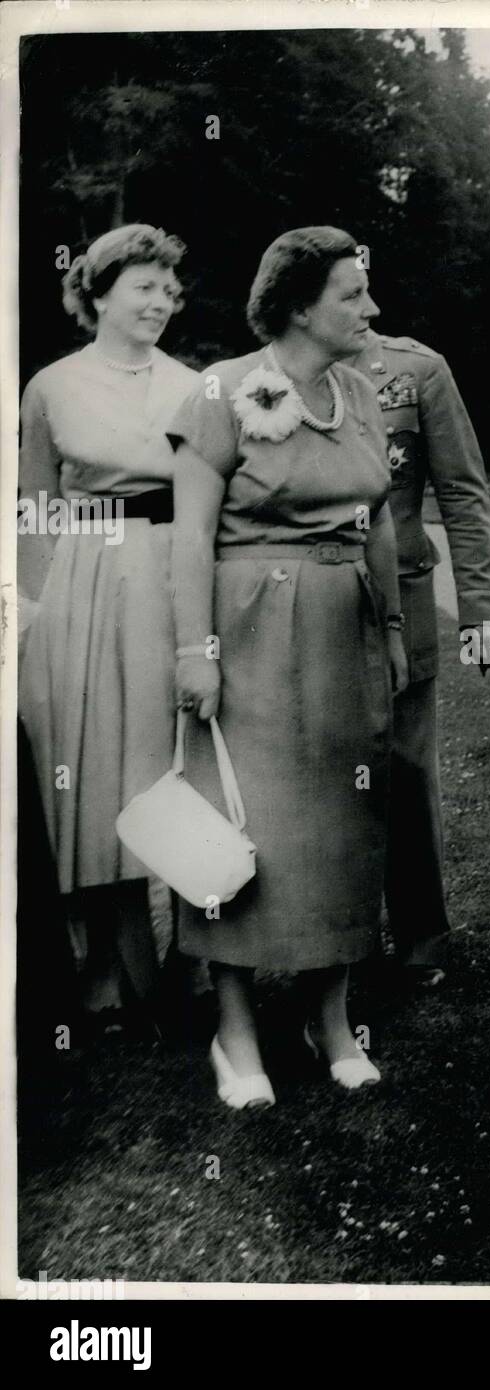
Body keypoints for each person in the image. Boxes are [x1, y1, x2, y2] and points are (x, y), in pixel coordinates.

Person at [170, 226, 408, 1110]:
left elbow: (376, 518)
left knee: (343, 824)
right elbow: (191, 533)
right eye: (353, 294)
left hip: (342, 627)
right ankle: (234, 1036)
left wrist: (388, 623)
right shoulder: (222, 390)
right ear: (301, 304)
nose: (371, 309)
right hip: (249, 629)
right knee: (243, 827)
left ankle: (331, 1019)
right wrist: (194, 651)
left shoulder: (360, 393)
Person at [18, 224, 197, 1034]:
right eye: (144, 287)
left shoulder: (198, 386)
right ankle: (111, 967)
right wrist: (36, 608)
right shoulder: (51, 386)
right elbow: (34, 506)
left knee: (171, 762)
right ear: (96, 293)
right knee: (91, 768)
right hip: (85, 582)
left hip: (172, 575)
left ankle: (193, 956)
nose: (161, 301)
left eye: (169, 289)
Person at [345, 323, 490, 988]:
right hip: (313, 593)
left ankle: (420, 936)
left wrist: (482, 611)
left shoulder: (417, 371)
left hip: (403, 593)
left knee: (405, 768)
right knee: (327, 771)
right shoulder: (279, 372)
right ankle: (338, 938)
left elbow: (462, 494)